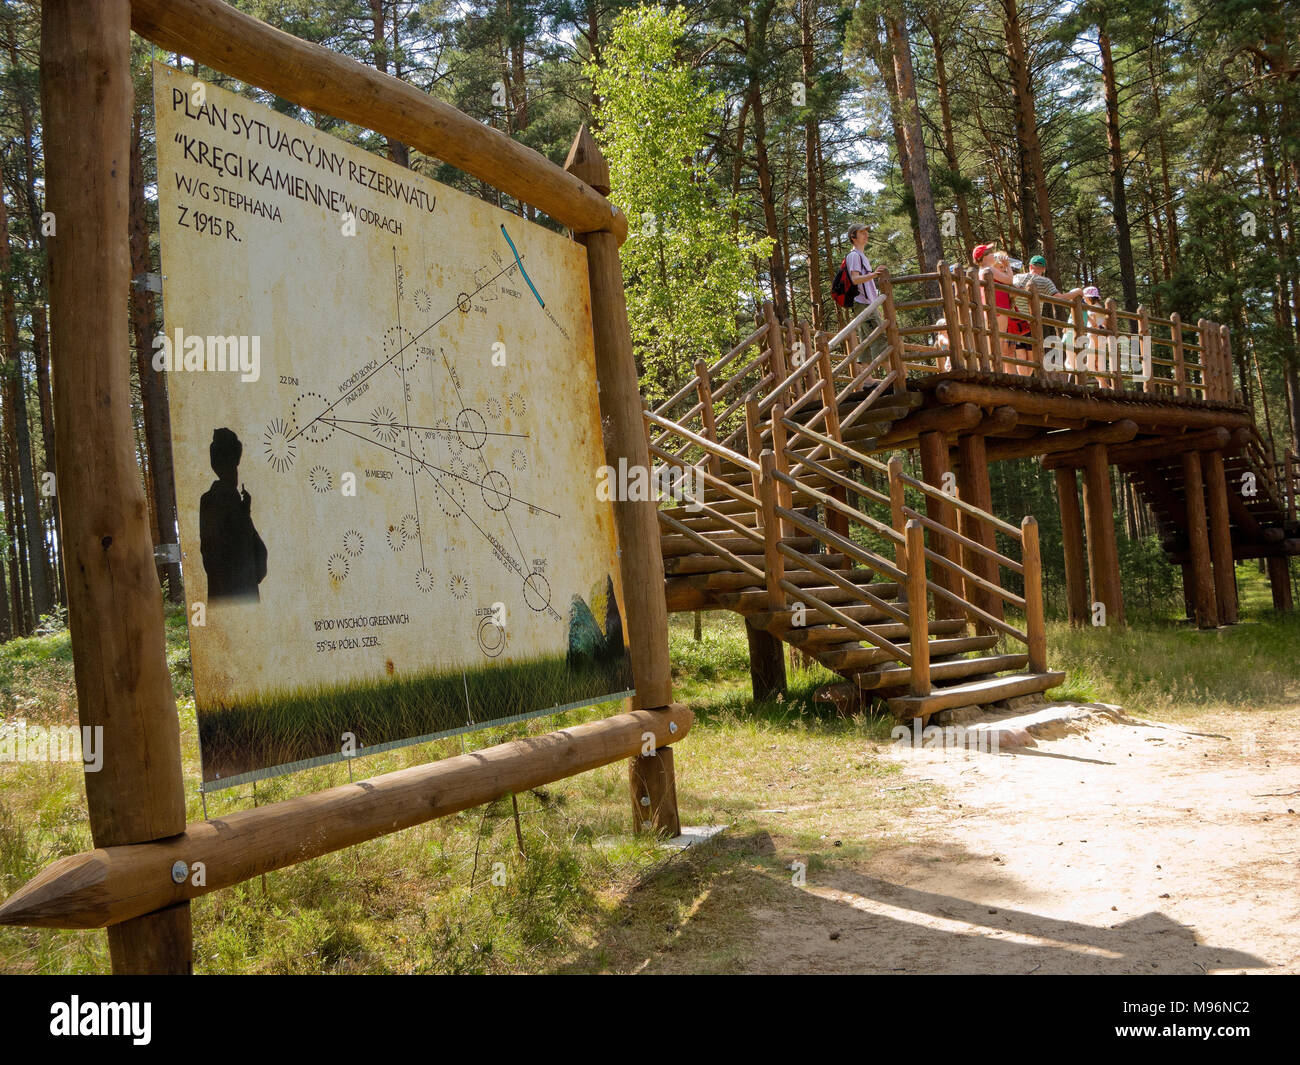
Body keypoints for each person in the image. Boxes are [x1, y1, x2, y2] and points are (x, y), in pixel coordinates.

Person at [200, 427, 267, 601]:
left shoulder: (213, 499)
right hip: (237, 595)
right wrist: (245, 512)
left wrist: (245, 510)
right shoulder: (224, 500)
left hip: (229, 594)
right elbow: (249, 548)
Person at [844, 222, 885, 361]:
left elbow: (867, 286)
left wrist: (875, 305)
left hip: (867, 304)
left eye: (866, 232)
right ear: (853, 236)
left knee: (866, 341)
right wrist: (874, 274)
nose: (866, 235)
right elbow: (855, 279)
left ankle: (867, 381)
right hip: (862, 303)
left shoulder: (862, 256)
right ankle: (892, 377)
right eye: (862, 232)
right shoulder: (854, 256)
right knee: (880, 337)